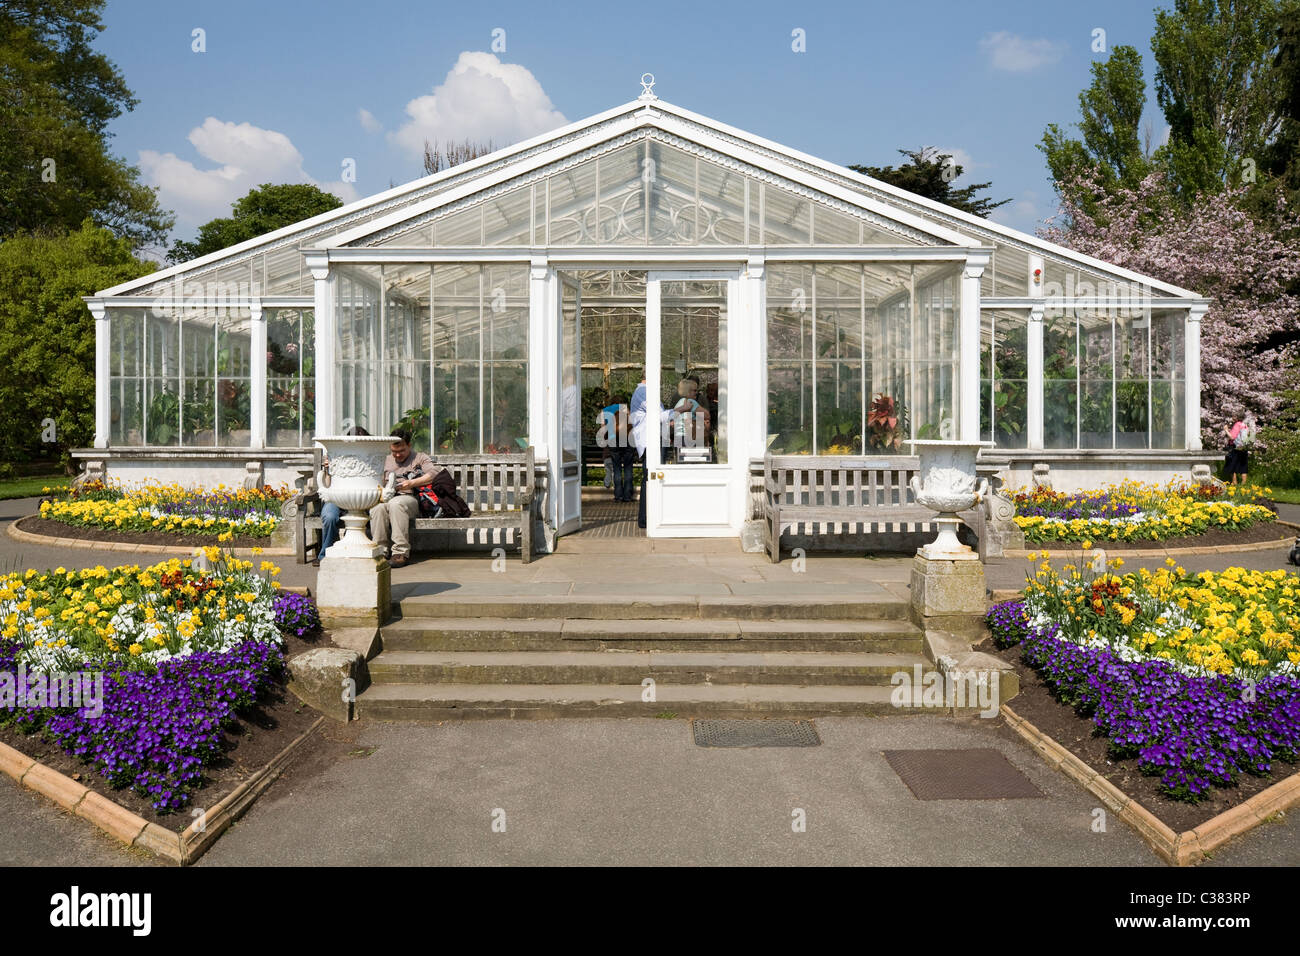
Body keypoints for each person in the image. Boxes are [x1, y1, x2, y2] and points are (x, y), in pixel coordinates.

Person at [369, 427, 440, 567]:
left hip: (410, 499)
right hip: (387, 498)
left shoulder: (419, 457)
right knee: (377, 508)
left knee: (397, 504)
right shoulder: (384, 459)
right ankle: (380, 551)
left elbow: (434, 473)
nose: (397, 455)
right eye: (394, 451)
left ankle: (400, 552)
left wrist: (412, 483)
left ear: (409, 445)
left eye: (401, 451)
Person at [314, 425, 369, 567]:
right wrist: (328, 470)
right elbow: (327, 485)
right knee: (329, 516)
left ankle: (351, 550)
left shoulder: (369, 456)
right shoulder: (337, 455)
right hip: (337, 497)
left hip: (362, 498)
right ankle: (325, 554)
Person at [600, 394, 634, 502]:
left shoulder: (604, 410)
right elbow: (631, 423)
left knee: (617, 468)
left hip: (613, 440)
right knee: (628, 467)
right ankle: (628, 496)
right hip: (627, 440)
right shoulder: (624, 408)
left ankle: (618, 496)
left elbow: (602, 429)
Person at [1224, 414, 1256, 485]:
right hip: (1244, 447)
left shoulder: (1237, 424)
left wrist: (1226, 430)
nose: (1232, 417)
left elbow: (1232, 437)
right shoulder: (1245, 425)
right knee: (1243, 464)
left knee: (1232, 463)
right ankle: (1244, 483)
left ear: (1236, 417)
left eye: (1233, 416)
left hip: (1235, 447)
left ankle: (1234, 482)